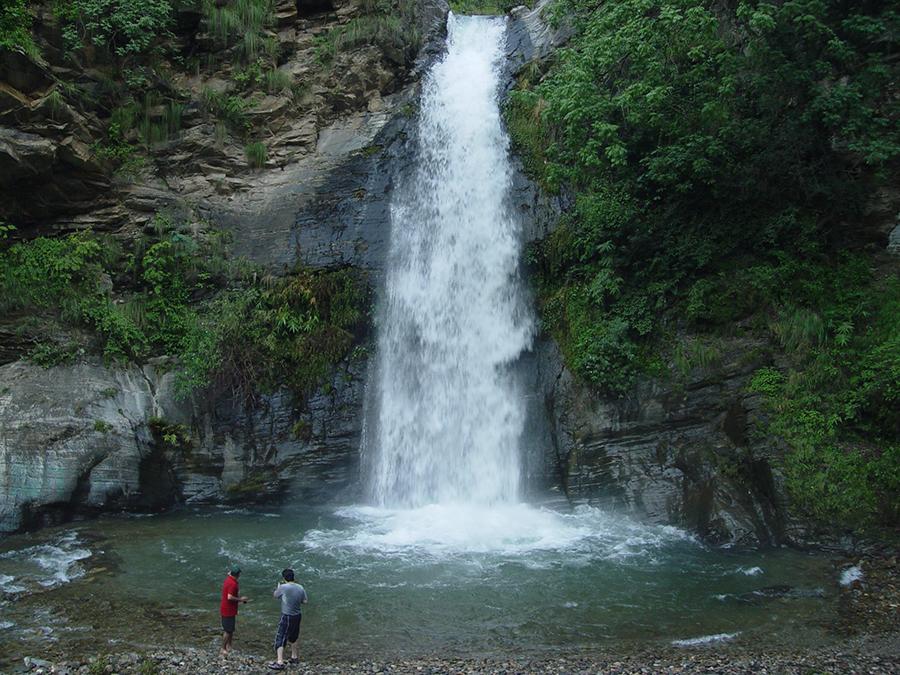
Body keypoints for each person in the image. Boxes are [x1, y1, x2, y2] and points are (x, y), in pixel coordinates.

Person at [268, 568, 308, 670]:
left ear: (284, 578)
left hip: (287, 615)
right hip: (297, 615)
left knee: (281, 637)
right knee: (294, 636)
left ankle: (280, 662)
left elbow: (275, 595)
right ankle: (294, 657)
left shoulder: (283, 587)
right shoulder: (300, 587)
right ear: (293, 577)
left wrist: (278, 588)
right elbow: (305, 601)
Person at [220, 565, 249, 657]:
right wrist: (241, 599)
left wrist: (240, 600)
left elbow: (228, 573)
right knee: (228, 630)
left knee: (231, 629)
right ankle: (223, 648)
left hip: (228, 609)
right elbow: (229, 597)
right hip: (228, 610)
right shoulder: (233, 584)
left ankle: (229, 646)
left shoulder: (229, 579)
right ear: (237, 575)